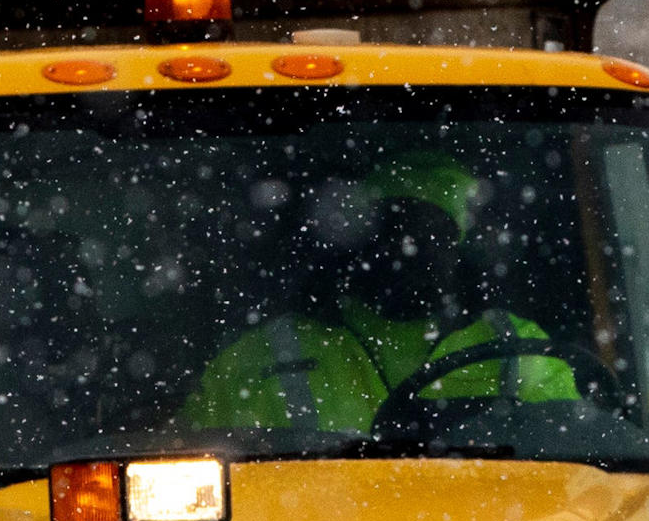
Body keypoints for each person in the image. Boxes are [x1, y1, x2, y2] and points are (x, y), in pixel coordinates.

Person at [180, 149, 583, 437]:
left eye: (432, 235)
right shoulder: (260, 360)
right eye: (397, 230)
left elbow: (573, 466)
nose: (411, 250)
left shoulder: (518, 352)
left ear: (456, 249)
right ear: (362, 242)